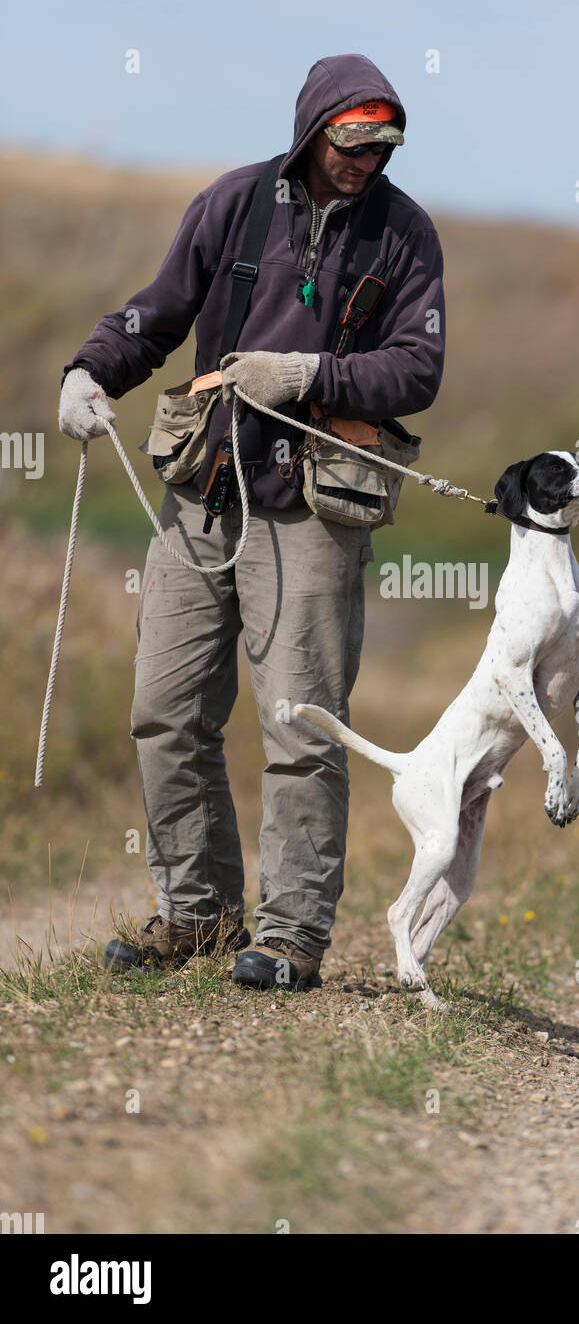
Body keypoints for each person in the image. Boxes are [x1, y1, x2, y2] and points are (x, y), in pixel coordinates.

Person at [58, 54, 446, 990]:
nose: (367, 159)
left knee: (302, 726)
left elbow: (417, 371)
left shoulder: (406, 235)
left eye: (384, 144)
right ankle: (196, 916)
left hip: (315, 511)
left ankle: (290, 938)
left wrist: (313, 377)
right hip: (202, 494)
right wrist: (90, 371)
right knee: (165, 712)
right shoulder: (231, 204)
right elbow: (156, 315)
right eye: (353, 141)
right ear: (314, 127)